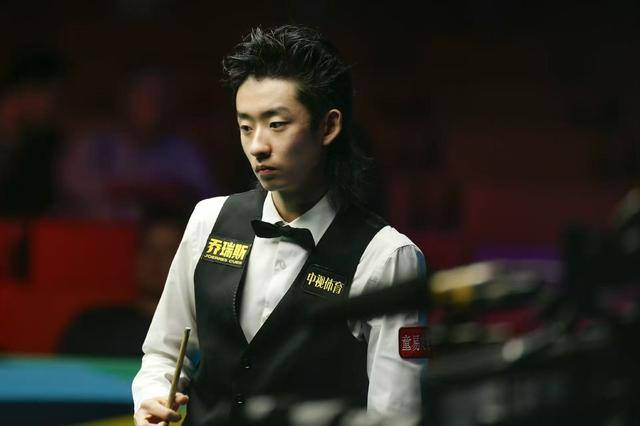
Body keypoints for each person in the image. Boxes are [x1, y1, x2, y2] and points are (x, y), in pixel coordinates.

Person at [132, 25, 427, 426]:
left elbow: (396, 416)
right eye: (245, 126)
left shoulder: (388, 258)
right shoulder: (207, 220)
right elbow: (164, 353)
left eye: (276, 124)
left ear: (328, 127)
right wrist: (152, 396)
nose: (258, 146)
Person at [57, 216, 184, 357]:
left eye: (170, 251)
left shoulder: (197, 335)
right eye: (148, 249)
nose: (157, 260)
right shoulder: (92, 326)